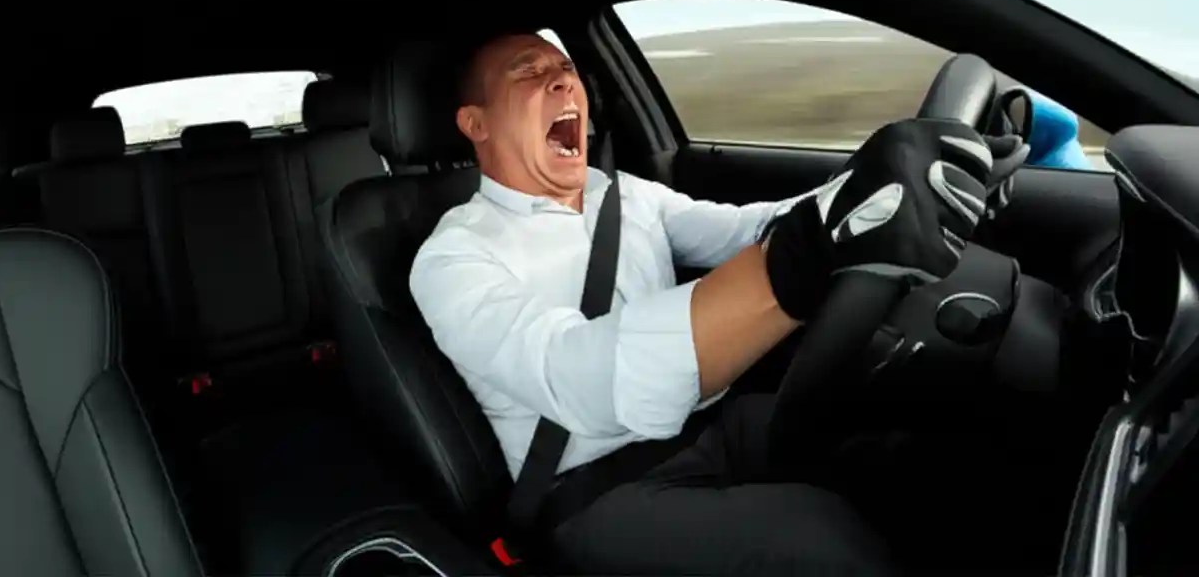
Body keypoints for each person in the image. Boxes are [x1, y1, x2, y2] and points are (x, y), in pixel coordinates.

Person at [410, 32, 1008, 574]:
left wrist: (882, 186)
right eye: (528, 73)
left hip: (710, 428)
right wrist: (801, 256)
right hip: (596, 492)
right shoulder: (453, 258)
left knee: (903, 463)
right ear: (476, 124)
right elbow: (581, 379)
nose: (564, 81)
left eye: (566, 68)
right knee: (825, 545)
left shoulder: (623, 195)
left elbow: (749, 231)